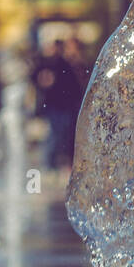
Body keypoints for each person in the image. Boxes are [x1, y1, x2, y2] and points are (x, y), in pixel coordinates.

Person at [32, 37, 81, 170]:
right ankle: (50, 166)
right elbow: (36, 78)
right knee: (54, 136)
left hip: (64, 106)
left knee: (62, 135)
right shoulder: (47, 63)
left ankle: (54, 164)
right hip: (55, 106)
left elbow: (74, 86)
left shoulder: (65, 64)